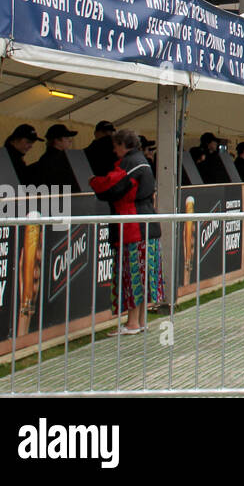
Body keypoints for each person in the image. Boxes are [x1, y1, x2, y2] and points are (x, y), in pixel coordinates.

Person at [96, 128, 165, 334]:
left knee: (133, 274)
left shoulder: (129, 163)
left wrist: (93, 181)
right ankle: (141, 321)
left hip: (133, 229)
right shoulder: (143, 160)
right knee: (145, 275)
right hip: (147, 226)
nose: (114, 151)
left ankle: (132, 323)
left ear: (122, 145)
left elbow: (110, 188)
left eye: (116, 146)